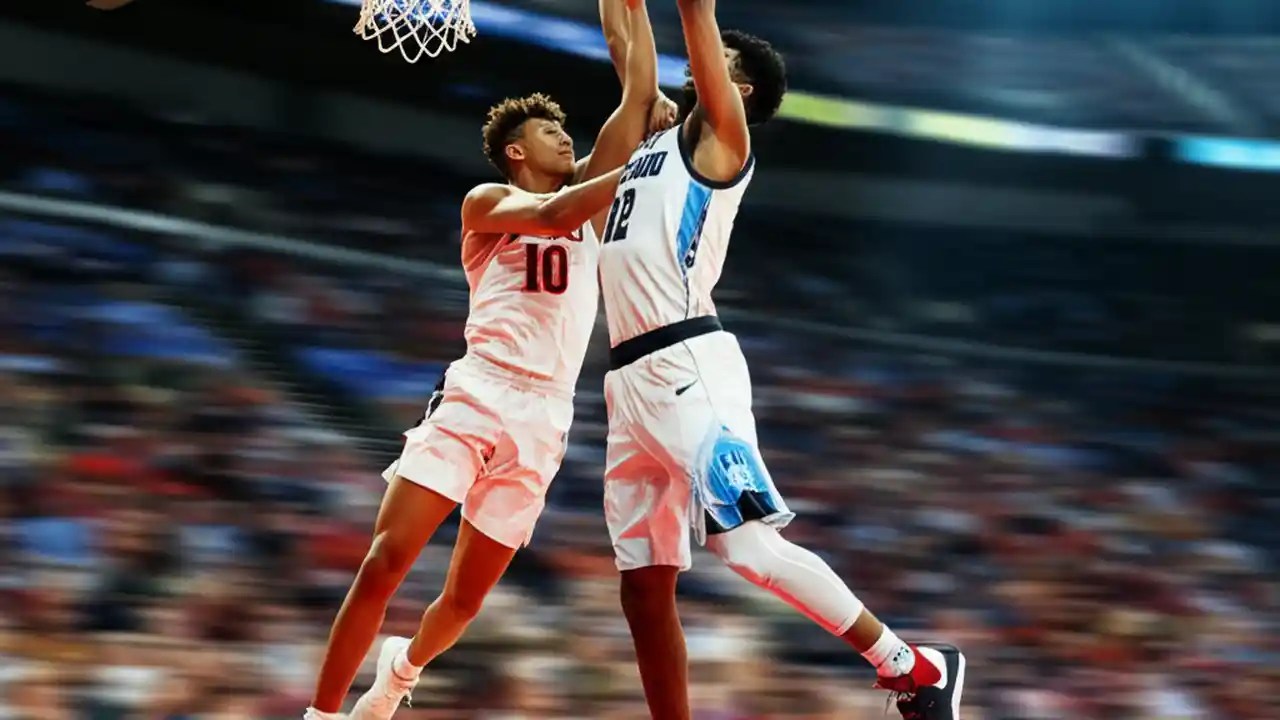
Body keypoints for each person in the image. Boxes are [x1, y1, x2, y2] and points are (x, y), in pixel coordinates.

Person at [595, 1, 966, 718]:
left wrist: (697, 24)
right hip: (628, 379)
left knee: (749, 553)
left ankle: (915, 667)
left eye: (721, 66)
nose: (700, 67)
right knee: (643, 585)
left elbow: (695, 13)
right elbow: (622, 29)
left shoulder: (725, 145)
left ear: (745, 92)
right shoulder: (655, 132)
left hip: (687, 364)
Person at [303, 2, 674, 718]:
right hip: (481, 391)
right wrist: (643, 165)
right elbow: (551, 217)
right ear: (515, 150)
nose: (565, 137)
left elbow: (636, 87)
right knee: (385, 562)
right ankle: (320, 715)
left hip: (547, 414)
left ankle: (398, 678)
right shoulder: (489, 202)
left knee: (465, 602)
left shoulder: (591, 204)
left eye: (568, 128)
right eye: (549, 131)